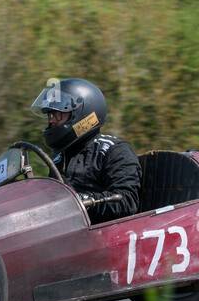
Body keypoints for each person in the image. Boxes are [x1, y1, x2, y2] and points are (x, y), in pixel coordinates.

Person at [29, 78, 140, 223]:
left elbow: (126, 201)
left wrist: (80, 202)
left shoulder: (114, 151)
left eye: (58, 114)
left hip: (102, 238)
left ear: (81, 113)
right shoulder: (60, 157)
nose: (51, 121)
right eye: (50, 115)